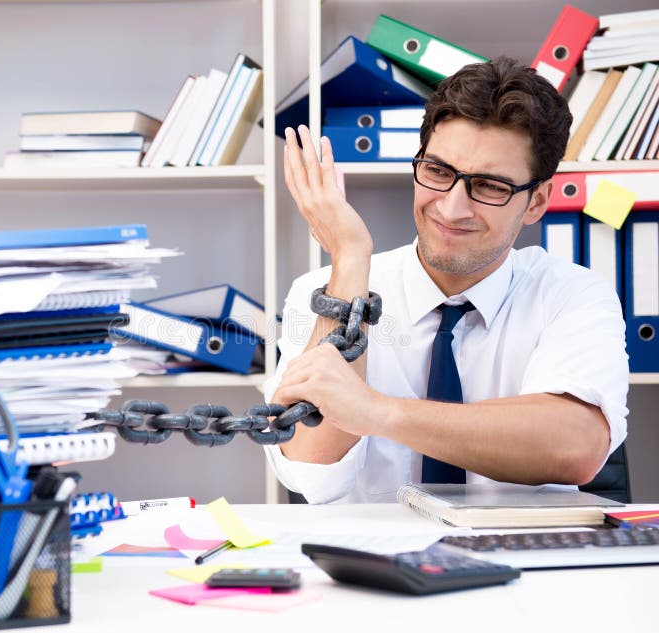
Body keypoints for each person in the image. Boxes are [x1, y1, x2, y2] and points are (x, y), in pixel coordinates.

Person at [263, 56, 629, 504]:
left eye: (491, 186)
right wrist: (351, 258)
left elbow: (574, 447)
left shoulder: (572, 295)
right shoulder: (325, 289)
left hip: (529, 564)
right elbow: (313, 471)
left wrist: (379, 413)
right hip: (373, 564)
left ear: (537, 201)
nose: (452, 208)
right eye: (438, 172)